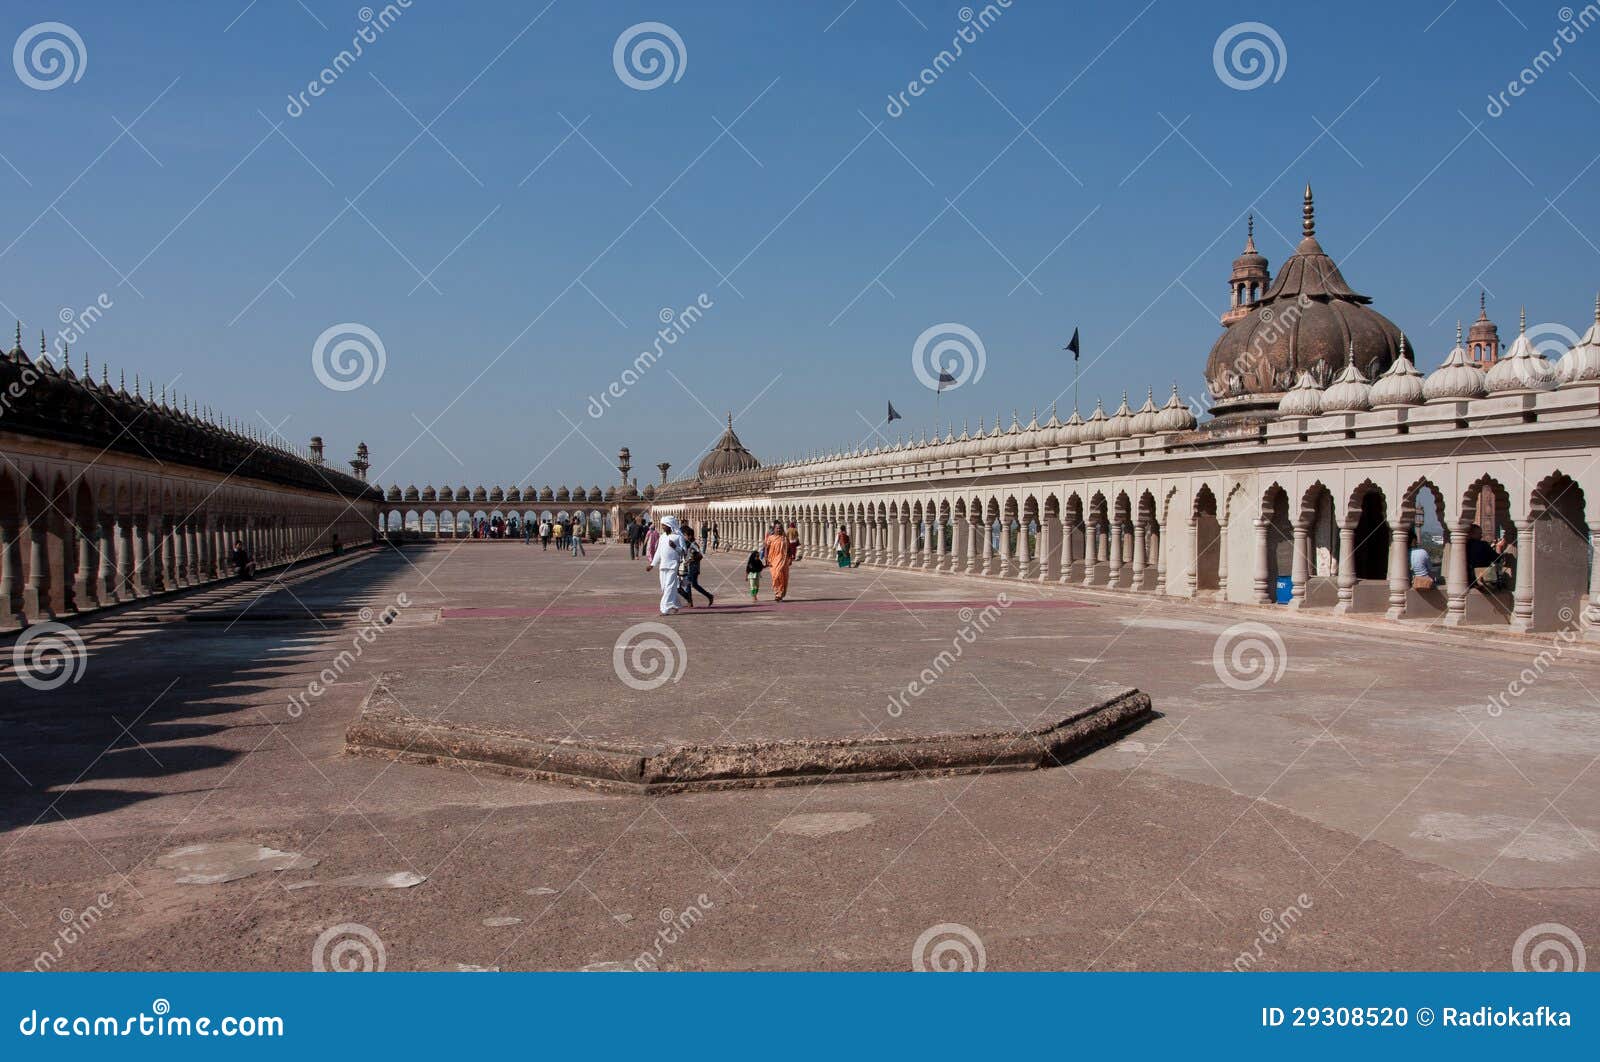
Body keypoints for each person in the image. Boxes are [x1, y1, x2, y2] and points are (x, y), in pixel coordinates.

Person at [648, 516, 687, 616]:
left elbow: (684, 552)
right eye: (662, 525)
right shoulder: (662, 537)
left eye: (664, 525)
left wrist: (675, 547)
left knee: (669, 587)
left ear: (670, 525)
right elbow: (658, 552)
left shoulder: (678, 536)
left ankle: (664, 609)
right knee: (665, 588)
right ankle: (675, 605)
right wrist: (652, 564)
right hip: (663, 565)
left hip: (673, 565)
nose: (662, 527)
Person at [677, 527, 714, 607]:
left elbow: (700, 556)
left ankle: (690, 601)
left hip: (693, 568)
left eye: (685, 535)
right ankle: (709, 596)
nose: (684, 537)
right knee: (693, 584)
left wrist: (691, 559)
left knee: (686, 584)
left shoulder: (694, 544)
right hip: (689, 568)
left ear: (690, 536)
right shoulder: (687, 544)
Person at [764, 520, 792, 602]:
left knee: (783, 576)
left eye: (780, 528)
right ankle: (777, 592)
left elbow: (789, 549)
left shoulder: (784, 538)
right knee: (775, 576)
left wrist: (790, 558)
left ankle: (779, 594)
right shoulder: (771, 538)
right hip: (773, 560)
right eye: (777, 528)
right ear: (774, 529)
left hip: (783, 560)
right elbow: (766, 548)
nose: (779, 530)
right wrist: (766, 558)